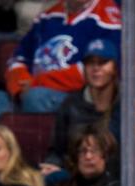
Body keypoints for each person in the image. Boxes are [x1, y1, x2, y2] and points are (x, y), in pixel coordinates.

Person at [0, 0, 120, 117]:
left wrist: (36, 84)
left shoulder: (107, 17)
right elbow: (18, 58)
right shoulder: (48, 16)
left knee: (36, 98)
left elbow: (92, 71)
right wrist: (19, 86)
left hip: (73, 98)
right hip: (29, 92)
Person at [41, 38, 121, 178]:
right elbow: (57, 151)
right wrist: (51, 166)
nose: (96, 68)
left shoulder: (127, 106)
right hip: (75, 177)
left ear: (114, 68)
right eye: (90, 63)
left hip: (116, 178)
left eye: (102, 62)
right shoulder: (70, 104)